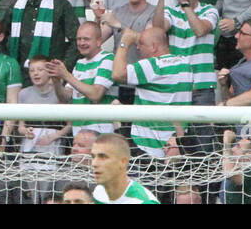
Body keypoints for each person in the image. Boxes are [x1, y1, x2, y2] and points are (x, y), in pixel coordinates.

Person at [111, 25, 192, 160]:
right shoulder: (185, 64)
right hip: (176, 144)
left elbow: (117, 74)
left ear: (154, 47)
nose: (137, 47)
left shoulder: (153, 66)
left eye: (141, 44)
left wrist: (124, 42)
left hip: (148, 149)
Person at [3, 0, 79, 68]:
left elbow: (76, 40)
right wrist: (8, 65)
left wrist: (64, 67)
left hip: (52, 73)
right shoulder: (16, 6)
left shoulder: (61, 5)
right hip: (20, 73)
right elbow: (0, 37)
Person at [50, 20, 117, 132]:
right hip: (79, 130)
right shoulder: (80, 63)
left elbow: (96, 94)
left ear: (99, 41)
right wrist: (56, 80)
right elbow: (65, 97)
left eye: (86, 39)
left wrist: (66, 75)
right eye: (79, 39)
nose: (81, 43)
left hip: (101, 131)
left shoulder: (108, 59)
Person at [90, 131, 159, 204]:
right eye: (93, 157)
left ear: (123, 162)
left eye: (103, 157)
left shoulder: (143, 201)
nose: (94, 163)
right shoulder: (99, 192)